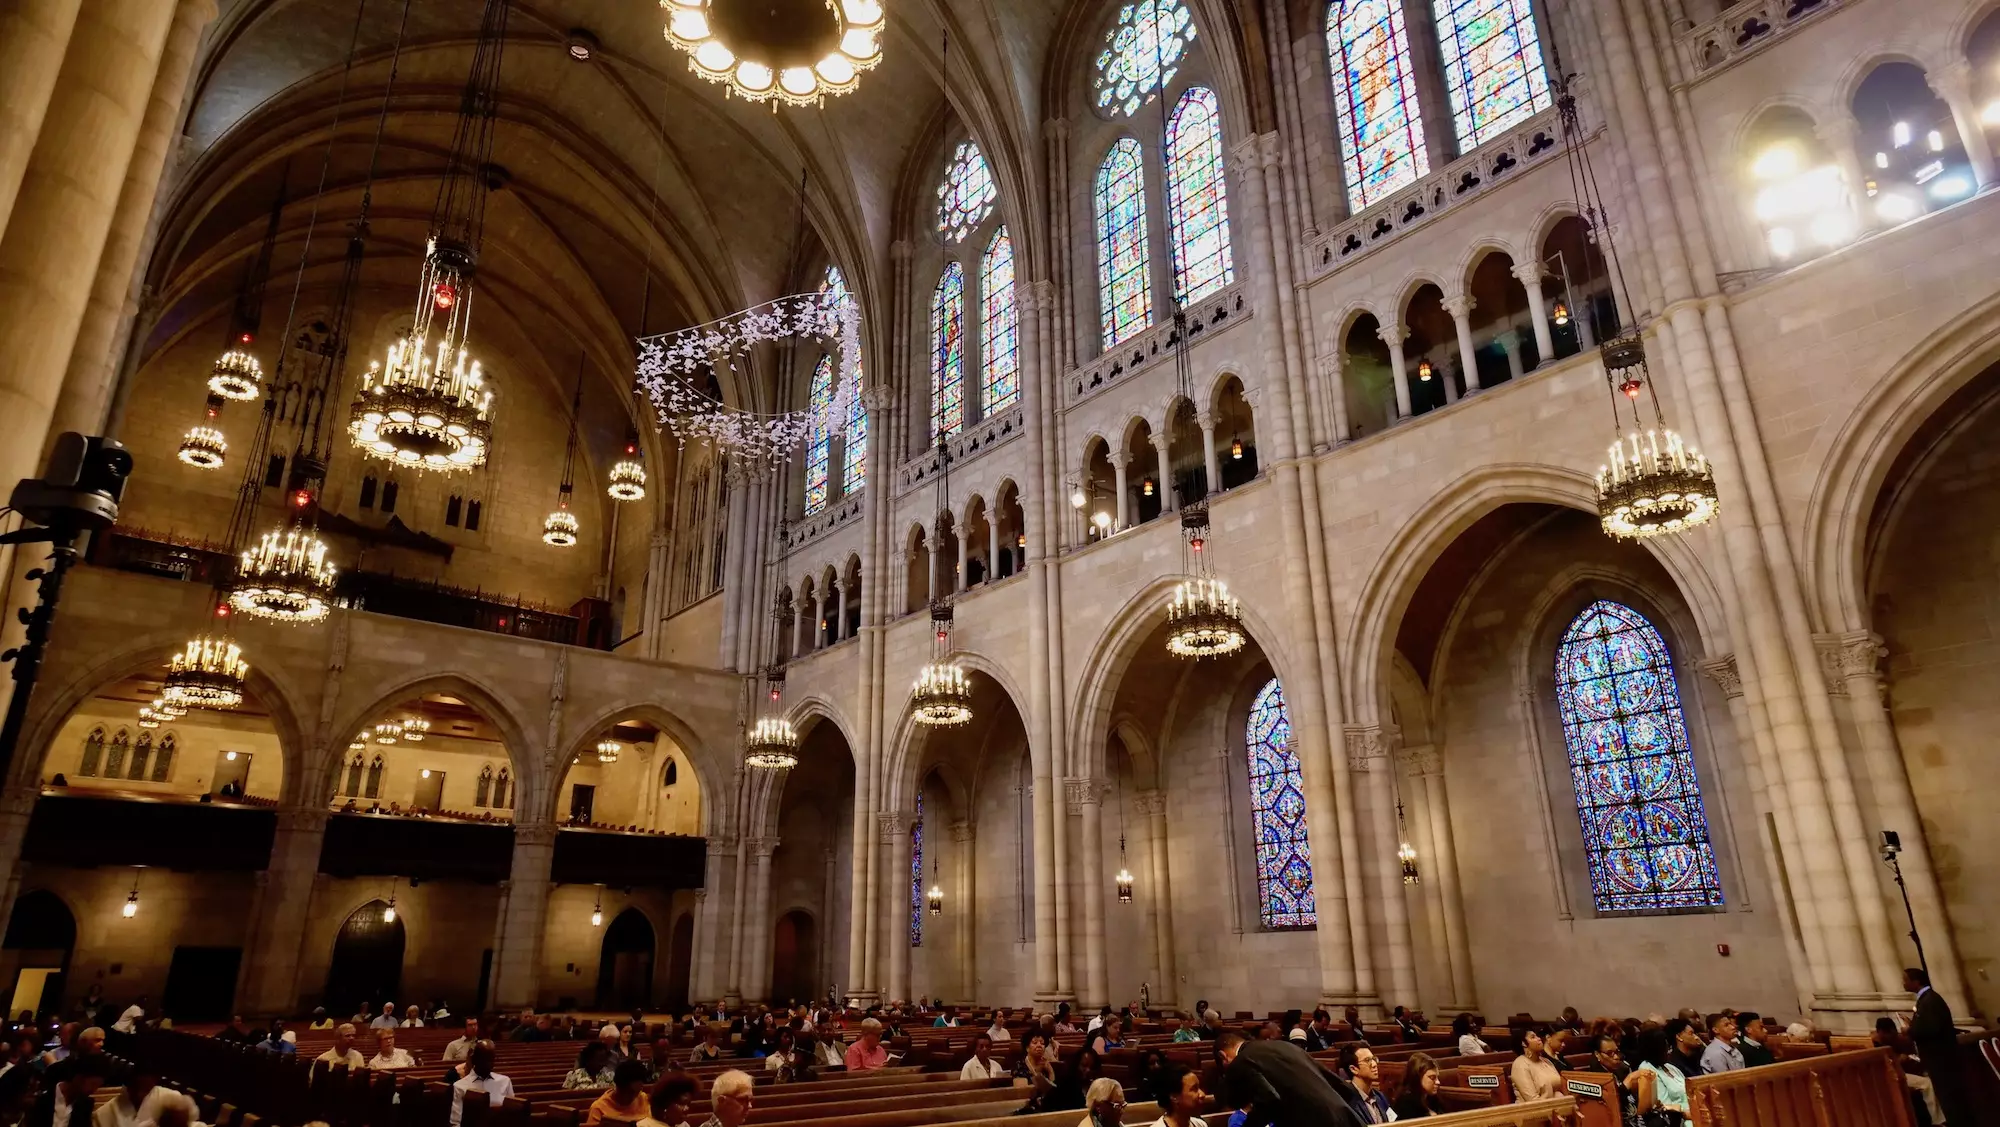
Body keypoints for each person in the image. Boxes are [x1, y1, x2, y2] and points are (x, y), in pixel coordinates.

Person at [1216, 1030, 1364, 1127]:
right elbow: (1342, 1086)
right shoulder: (1286, 1046)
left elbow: (1270, 1100)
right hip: (1346, 1118)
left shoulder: (1241, 1061)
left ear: (1223, 1056)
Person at [1905, 966, 1970, 1127]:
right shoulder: (1927, 999)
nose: (1903, 984)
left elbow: (1933, 1028)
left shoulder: (1930, 1000)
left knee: (1950, 1098)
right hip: (1938, 1058)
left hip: (1940, 1058)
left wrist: (1910, 1029)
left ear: (1916, 981)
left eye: (1905, 980)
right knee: (1947, 1097)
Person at [1628, 1027, 1689, 1125]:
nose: (1670, 1051)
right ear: (1655, 1049)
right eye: (1666, 1047)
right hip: (1678, 1120)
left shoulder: (1670, 1067)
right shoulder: (1647, 1070)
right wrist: (1688, 1113)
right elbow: (1663, 1107)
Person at [450, 1043, 513, 1127]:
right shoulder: (460, 1086)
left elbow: (513, 1115)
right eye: (485, 1059)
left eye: (492, 1059)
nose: (490, 1063)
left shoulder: (505, 1081)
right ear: (475, 1059)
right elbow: (456, 1122)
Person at [28, 1059, 100, 1127]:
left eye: (97, 1086)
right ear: (78, 1078)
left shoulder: (85, 1105)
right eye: (93, 1084)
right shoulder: (41, 1099)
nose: (93, 1090)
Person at [584, 1061, 652, 1127]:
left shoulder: (642, 1097)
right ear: (618, 1087)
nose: (634, 1097)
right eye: (631, 1092)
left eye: (638, 1092)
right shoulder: (599, 1108)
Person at [1338, 1044, 1392, 1122]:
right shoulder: (1347, 1102)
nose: (1374, 1064)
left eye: (1373, 1059)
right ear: (1353, 1069)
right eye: (1367, 1060)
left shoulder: (1379, 1096)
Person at [1509, 1028, 1562, 1102]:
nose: (1539, 1039)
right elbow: (1532, 1100)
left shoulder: (1546, 1061)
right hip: (1534, 1110)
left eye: (1537, 1036)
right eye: (1533, 1037)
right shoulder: (1520, 1065)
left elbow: (1560, 1087)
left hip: (1557, 1106)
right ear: (1523, 1043)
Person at [1014, 1032, 1061, 1111]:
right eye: (1035, 1043)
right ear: (1027, 1048)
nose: (1039, 1045)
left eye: (1042, 1043)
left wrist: (1051, 1072)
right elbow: (1021, 1093)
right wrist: (1037, 1074)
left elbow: (1054, 1092)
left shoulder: (1047, 1065)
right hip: (1026, 1108)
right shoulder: (1019, 1066)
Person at [1390, 1052, 1444, 1119]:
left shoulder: (1433, 1099)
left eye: (1437, 1077)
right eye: (1432, 1078)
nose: (1438, 1082)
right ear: (1417, 1077)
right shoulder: (1405, 1104)